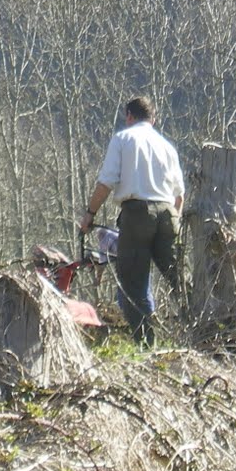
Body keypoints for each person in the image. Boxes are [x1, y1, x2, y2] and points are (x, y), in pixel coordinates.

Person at [77, 97, 184, 344]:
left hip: (137, 213)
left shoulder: (123, 139)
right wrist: (173, 221)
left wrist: (90, 214)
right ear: (153, 119)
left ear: (129, 116)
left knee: (133, 284)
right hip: (168, 213)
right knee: (176, 277)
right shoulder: (167, 146)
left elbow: (107, 181)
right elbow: (180, 194)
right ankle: (199, 327)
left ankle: (146, 344)